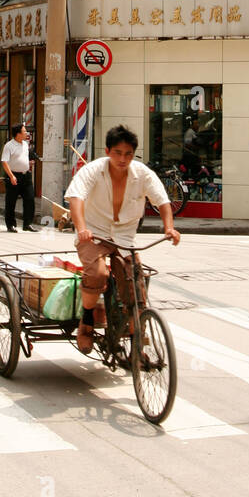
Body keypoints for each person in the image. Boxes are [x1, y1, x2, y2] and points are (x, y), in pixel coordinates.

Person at [65, 124, 181, 354]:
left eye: (128, 154)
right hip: (94, 234)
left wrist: (170, 228)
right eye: (117, 153)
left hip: (125, 236)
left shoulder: (142, 174)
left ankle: (137, 330)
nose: (123, 158)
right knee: (97, 274)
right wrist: (81, 229)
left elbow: (163, 201)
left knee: (135, 281)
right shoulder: (93, 170)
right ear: (108, 151)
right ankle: (86, 321)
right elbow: (76, 198)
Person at [1, 123, 37, 233]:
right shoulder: (9, 145)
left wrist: (28, 163)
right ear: (18, 134)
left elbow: (23, 158)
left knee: (30, 199)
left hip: (26, 175)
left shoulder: (25, 144)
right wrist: (11, 176)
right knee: (11, 201)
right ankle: (11, 224)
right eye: (24, 131)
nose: (26, 133)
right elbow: (4, 162)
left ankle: (28, 223)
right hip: (13, 176)